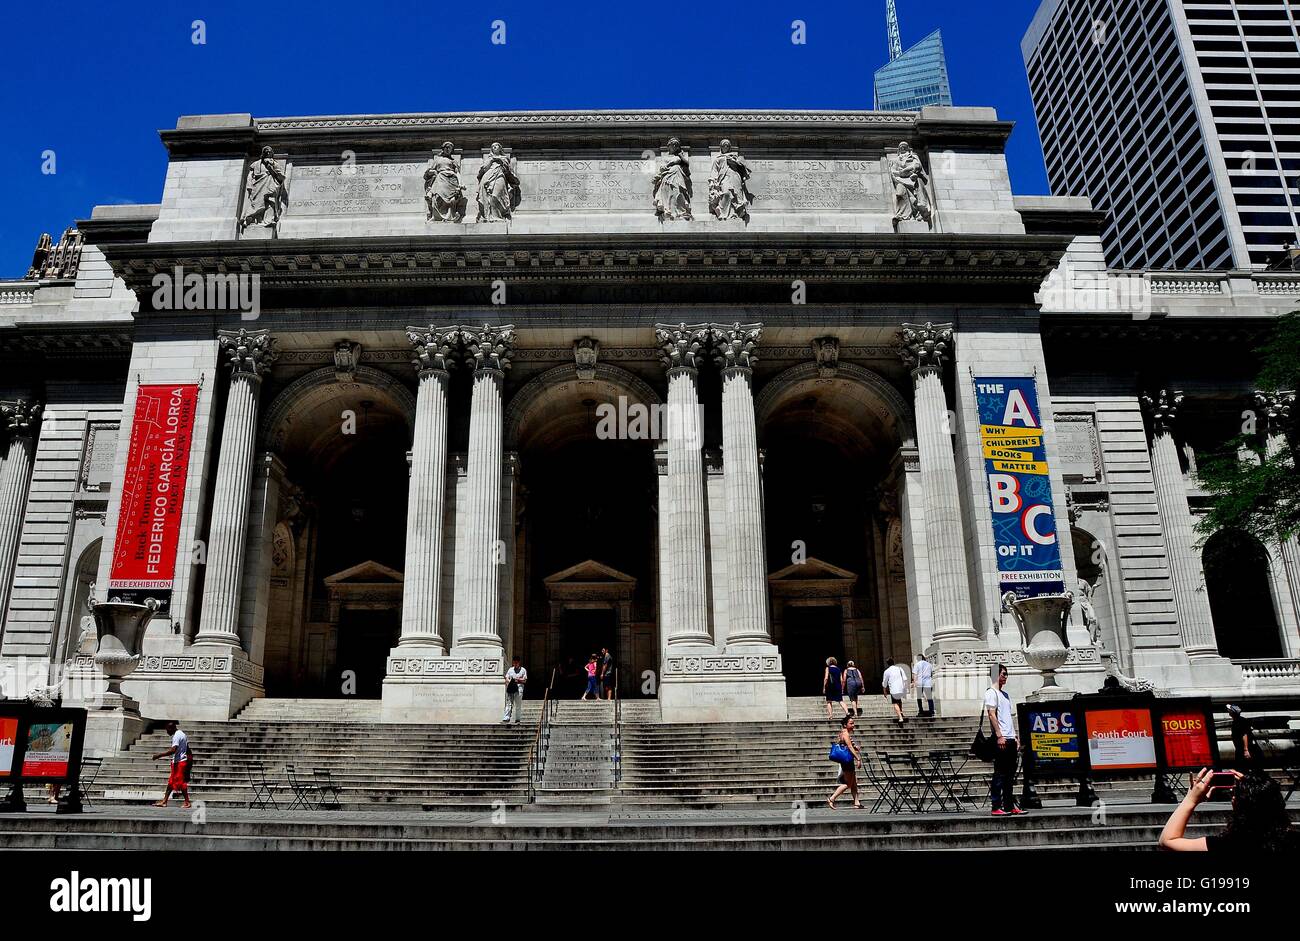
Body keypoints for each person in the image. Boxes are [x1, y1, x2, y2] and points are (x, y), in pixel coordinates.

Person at [1159, 768, 1298, 851]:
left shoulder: (1227, 845)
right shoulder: (1293, 840)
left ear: (1237, 805)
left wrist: (1191, 799)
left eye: (1234, 795)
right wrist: (1256, 787)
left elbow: (1167, 841)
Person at [984, 664, 1025, 816]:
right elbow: (992, 715)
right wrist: (999, 735)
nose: (1006, 677)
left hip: (1010, 739)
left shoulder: (1006, 695)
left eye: (1006, 674)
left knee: (1009, 775)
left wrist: (1015, 737)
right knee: (1000, 773)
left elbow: (1009, 718)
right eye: (1003, 674)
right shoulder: (991, 693)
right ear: (996, 675)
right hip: (1001, 739)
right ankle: (996, 806)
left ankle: (1009, 805)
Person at [151, 720, 191, 809]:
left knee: (181, 782)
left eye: (167, 729)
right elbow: (188, 749)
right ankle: (164, 801)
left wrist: (159, 755)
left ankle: (187, 802)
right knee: (171, 782)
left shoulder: (177, 736)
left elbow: (173, 750)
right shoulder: (182, 734)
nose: (167, 732)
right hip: (179, 761)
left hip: (180, 762)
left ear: (171, 728)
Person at [827, 715, 863, 810]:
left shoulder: (843, 733)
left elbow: (847, 745)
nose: (853, 725)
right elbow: (850, 747)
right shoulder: (845, 734)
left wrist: (854, 747)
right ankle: (832, 798)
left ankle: (856, 803)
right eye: (851, 723)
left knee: (854, 783)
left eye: (853, 723)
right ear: (845, 724)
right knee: (848, 784)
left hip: (847, 760)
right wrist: (858, 758)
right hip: (847, 761)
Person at [1227, 704, 1260, 770]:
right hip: (1239, 748)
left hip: (1242, 749)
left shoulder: (1239, 721)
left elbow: (1244, 735)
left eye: (1229, 710)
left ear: (1232, 712)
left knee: (1243, 768)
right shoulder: (1237, 721)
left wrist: (1246, 750)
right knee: (1241, 767)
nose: (1228, 711)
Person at [881, 658, 909, 724]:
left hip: (893, 689)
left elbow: (884, 682)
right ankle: (901, 712)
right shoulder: (900, 668)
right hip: (901, 688)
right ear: (894, 662)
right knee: (899, 700)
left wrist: (884, 691)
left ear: (887, 664)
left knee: (895, 703)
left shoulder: (887, 671)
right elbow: (905, 678)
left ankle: (900, 717)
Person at [503, 656, 527, 724]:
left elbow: (525, 680)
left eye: (516, 663)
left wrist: (518, 680)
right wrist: (509, 681)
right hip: (511, 688)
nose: (515, 664)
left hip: (519, 688)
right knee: (509, 703)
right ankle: (506, 717)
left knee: (518, 704)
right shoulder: (510, 669)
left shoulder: (523, 670)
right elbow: (507, 677)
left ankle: (517, 719)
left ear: (519, 662)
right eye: (514, 663)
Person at [912, 652, 934, 717]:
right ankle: (931, 711)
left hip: (920, 682)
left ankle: (921, 711)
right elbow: (931, 674)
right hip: (928, 682)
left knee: (919, 697)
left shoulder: (917, 664)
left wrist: (914, 682)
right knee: (929, 697)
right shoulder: (929, 664)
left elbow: (915, 674)